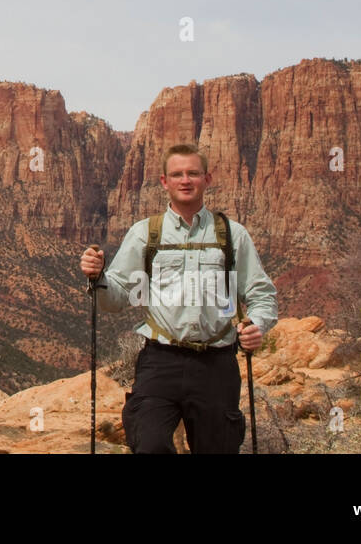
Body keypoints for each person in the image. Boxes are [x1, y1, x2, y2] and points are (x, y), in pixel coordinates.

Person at [79, 143, 278, 453]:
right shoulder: (146, 233)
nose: (185, 180)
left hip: (216, 363)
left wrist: (257, 326)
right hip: (160, 361)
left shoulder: (232, 235)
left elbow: (261, 295)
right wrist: (98, 277)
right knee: (150, 444)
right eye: (177, 174)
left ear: (207, 179)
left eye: (193, 173)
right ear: (164, 181)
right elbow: (116, 297)